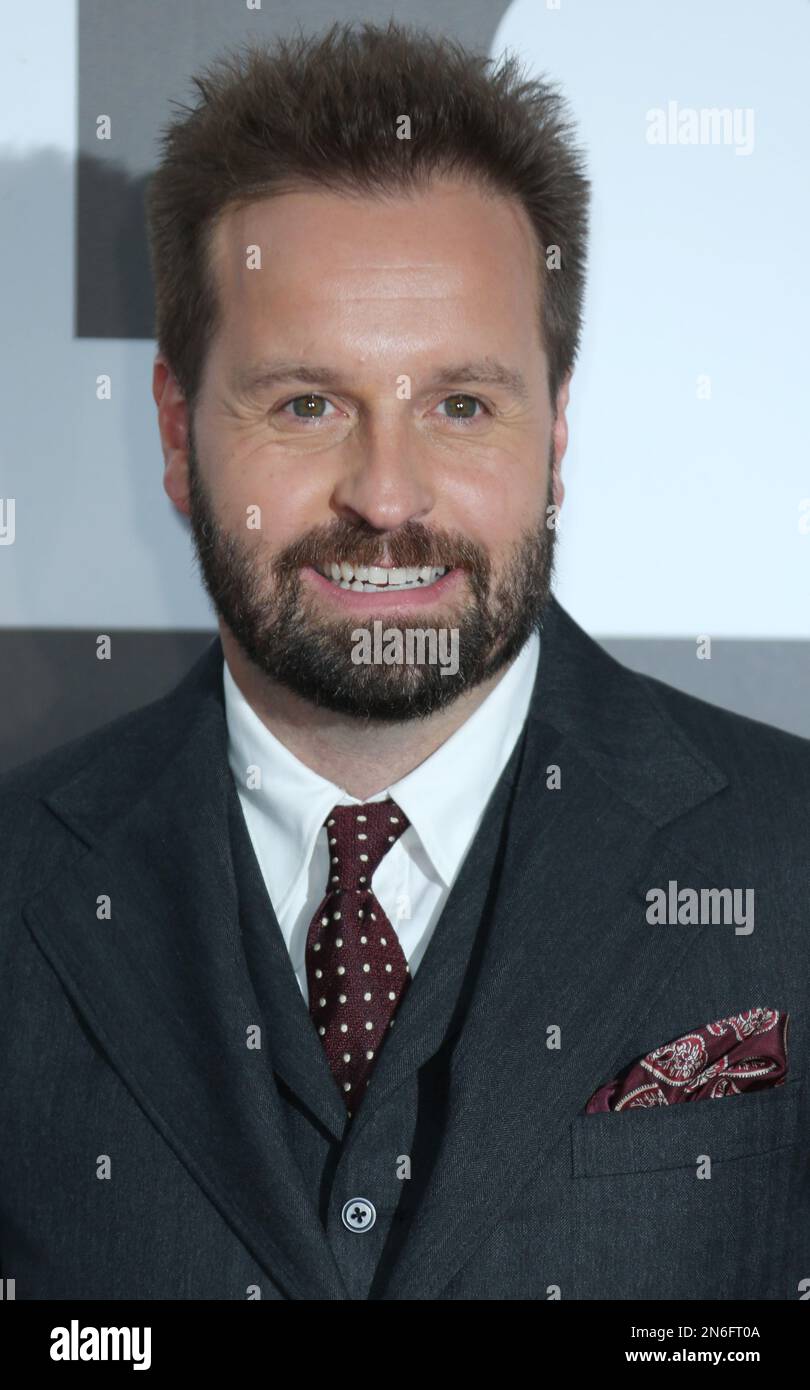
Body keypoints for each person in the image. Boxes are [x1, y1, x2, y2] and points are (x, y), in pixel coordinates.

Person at [1, 20, 807, 1302]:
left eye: (462, 405)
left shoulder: (792, 860)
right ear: (174, 430)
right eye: (308, 403)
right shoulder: (20, 887)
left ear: (554, 441)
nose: (386, 495)